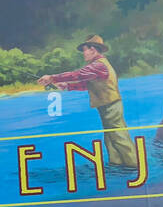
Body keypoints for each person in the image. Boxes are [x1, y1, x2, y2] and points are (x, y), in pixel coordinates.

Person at [37, 35, 138, 171]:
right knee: (110, 135)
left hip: (110, 106)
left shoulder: (98, 65)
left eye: (85, 50)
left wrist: (52, 78)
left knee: (118, 135)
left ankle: (134, 165)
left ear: (93, 50)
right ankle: (117, 164)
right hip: (107, 105)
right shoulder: (97, 66)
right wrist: (67, 85)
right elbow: (87, 84)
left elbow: (77, 74)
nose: (83, 53)